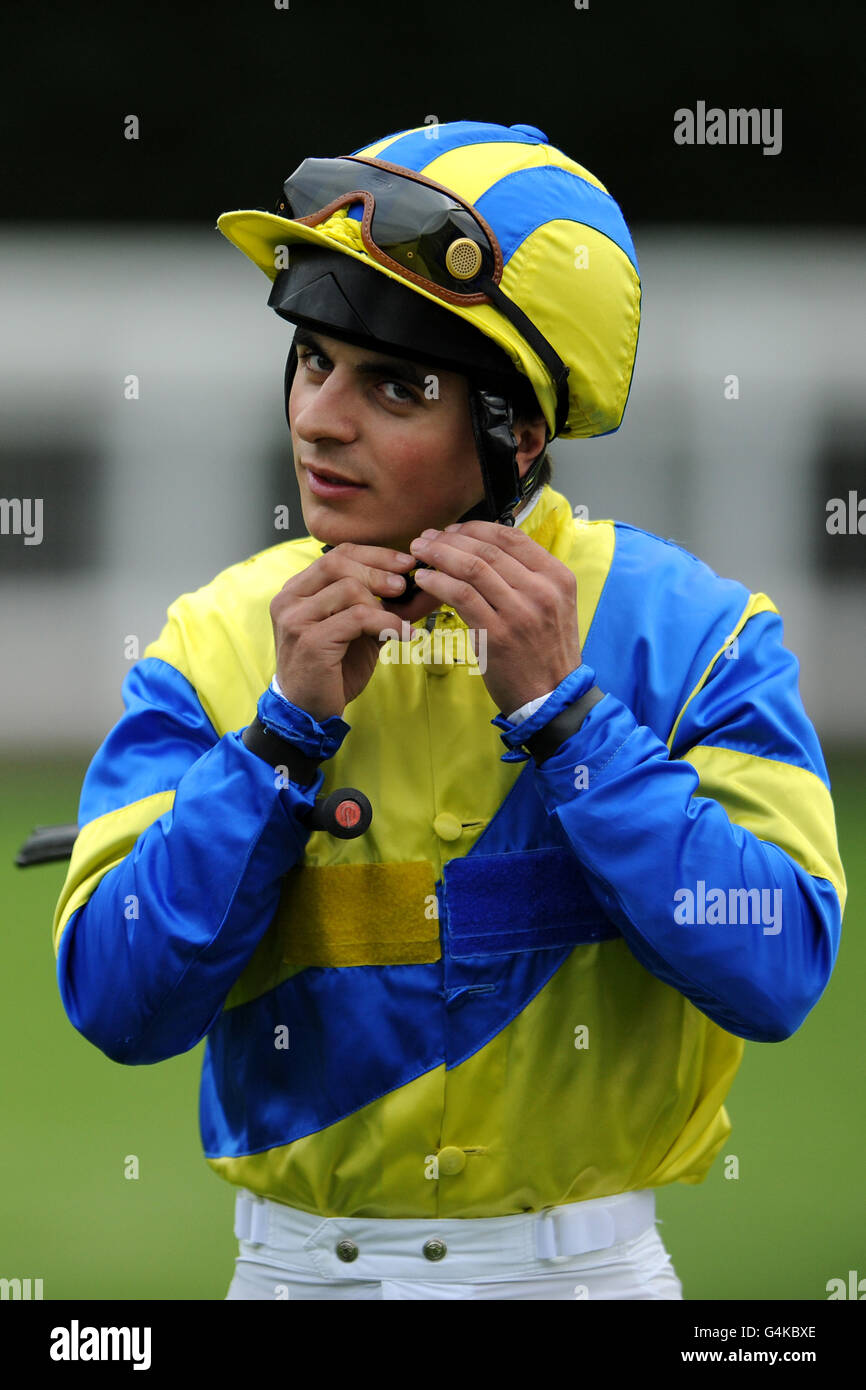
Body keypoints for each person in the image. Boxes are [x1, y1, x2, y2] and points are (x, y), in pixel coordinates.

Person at [52, 120, 846, 1301]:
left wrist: (571, 723)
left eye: (395, 385)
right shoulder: (213, 639)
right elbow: (117, 1001)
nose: (321, 419)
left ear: (517, 433)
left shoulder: (697, 634)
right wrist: (274, 742)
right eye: (314, 359)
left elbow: (775, 966)